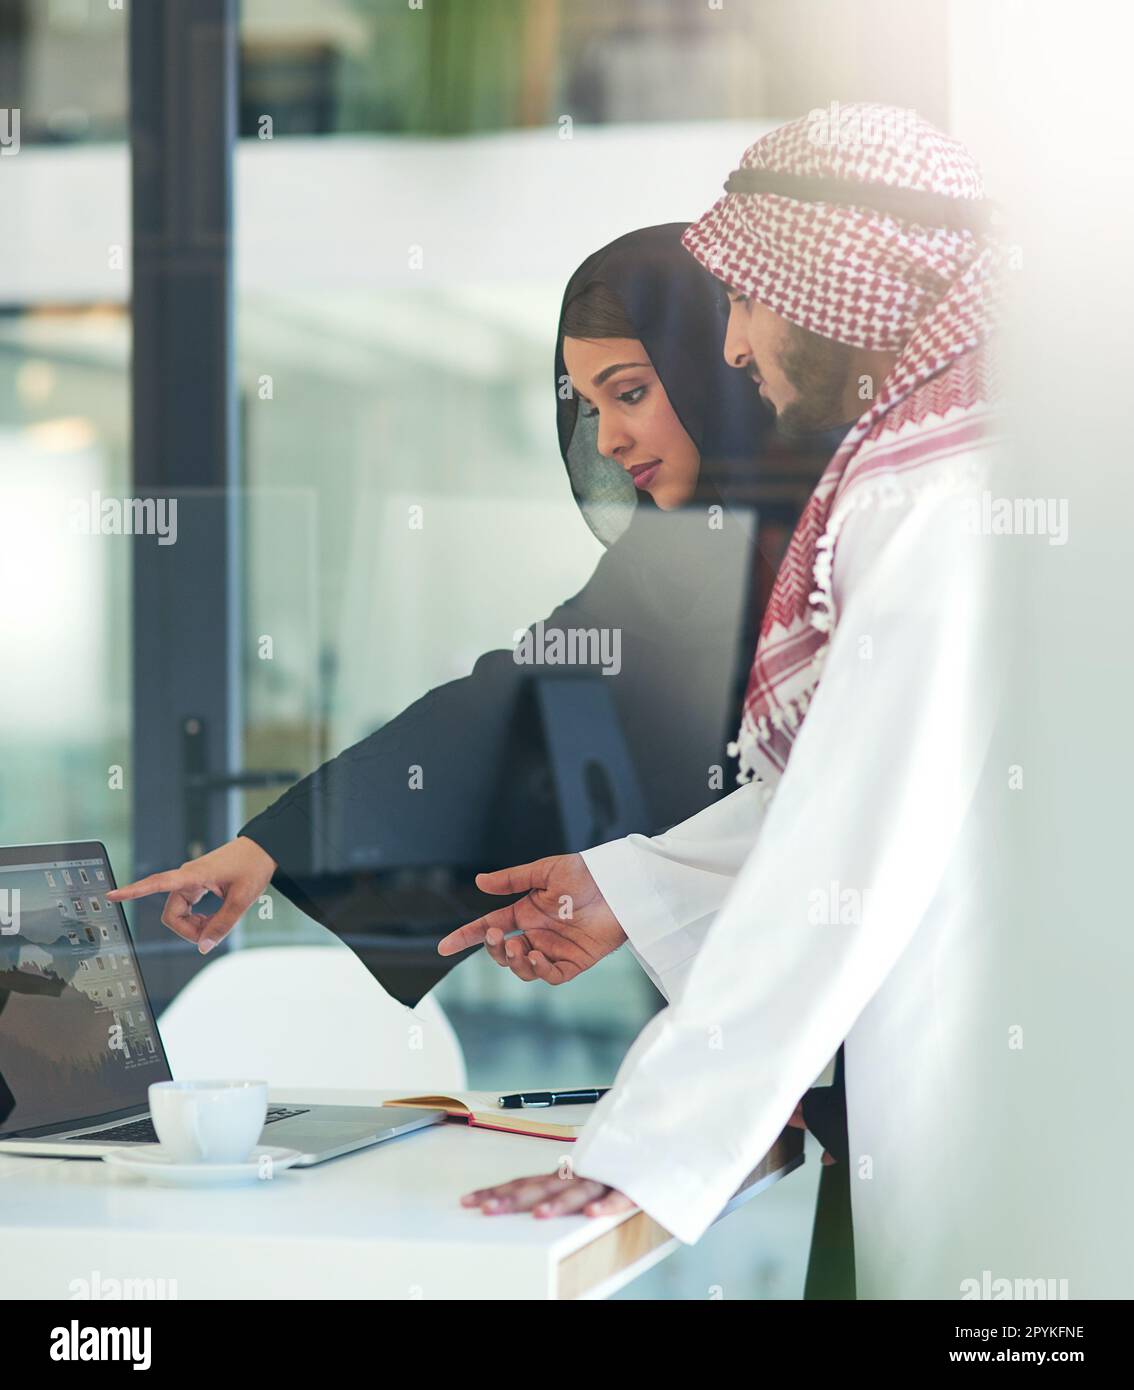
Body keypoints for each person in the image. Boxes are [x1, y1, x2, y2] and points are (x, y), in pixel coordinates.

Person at [442, 104, 1003, 1302]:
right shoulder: (934, 458)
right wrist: (633, 885)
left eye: (747, 297)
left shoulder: (942, 491)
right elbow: (847, 794)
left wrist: (651, 1146)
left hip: (993, 1136)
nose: (735, 345)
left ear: (839, 278)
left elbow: (856, 838)